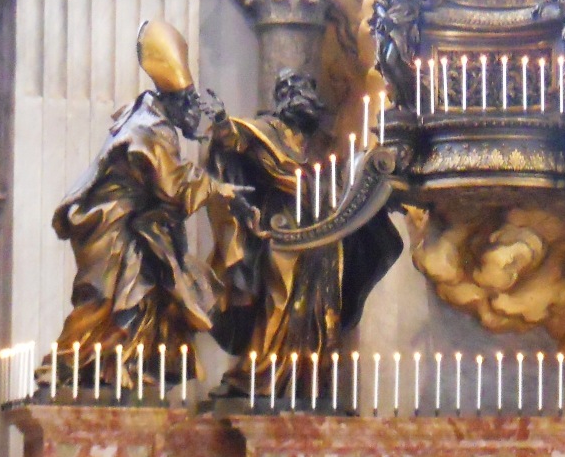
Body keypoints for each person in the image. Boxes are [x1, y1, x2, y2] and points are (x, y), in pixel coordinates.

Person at [43, 20, 238, 388]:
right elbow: (173, 186)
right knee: (104, 300)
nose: (193, 120)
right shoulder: (152, 127)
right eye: (191, 110)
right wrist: (217, 188)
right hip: (111, 224)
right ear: (178, 104)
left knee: (142, 297)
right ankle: (72, 364)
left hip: (130, 225)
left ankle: (119, 367)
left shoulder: (147, 113)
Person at [206, 70, 402, 398]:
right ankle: (261, 376)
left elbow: (328, 184)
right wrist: (223, 122)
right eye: (298, 90)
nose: (306, 98)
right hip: (282, 236)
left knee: (320, 311)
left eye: (310, 90)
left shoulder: (305, 144)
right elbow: (233, 139)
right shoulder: (267, 131)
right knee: (280, 303)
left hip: (318, 238)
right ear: (283, 99)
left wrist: (373, 188)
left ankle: (306, 381)